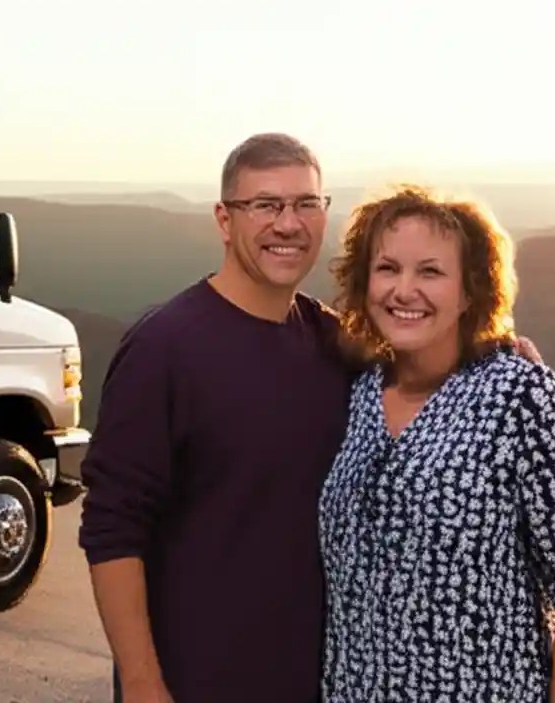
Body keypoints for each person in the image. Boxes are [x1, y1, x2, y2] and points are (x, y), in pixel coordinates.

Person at [318, 184, 555, 702]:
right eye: (387, 268)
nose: (404, 290)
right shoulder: (354, 396)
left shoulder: (522, 396)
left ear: (469, 293)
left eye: (430, 272)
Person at [79, 132, 354, 702]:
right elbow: (112, 528)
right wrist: (142, 682)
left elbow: (424, 362)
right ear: (225, 220)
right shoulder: (164, 348)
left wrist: (499, 352)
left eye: (306, 203)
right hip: (194, 679)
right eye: (265, 205)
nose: (288, 224)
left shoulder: (331, 342)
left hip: (311, 681)